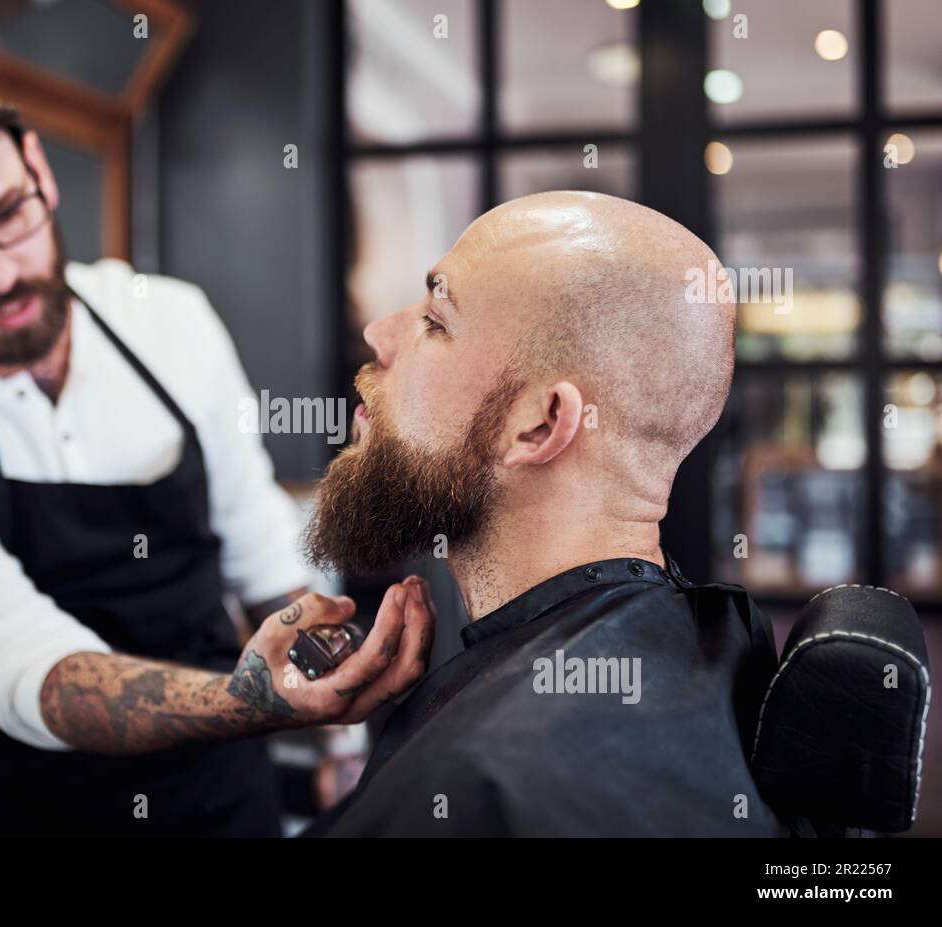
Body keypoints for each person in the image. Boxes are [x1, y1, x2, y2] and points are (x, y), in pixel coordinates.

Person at [0, 59, 434, 837]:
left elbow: (264, 556)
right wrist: (250, 699)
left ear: (38, 168)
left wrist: (337, 712)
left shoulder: (170, 322)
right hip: (16, 809)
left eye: (9, 213)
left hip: (219, 798)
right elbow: (32, 666)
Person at [300, 191, 786, 837]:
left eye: (436, 320)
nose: (378, 333)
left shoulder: (486, 781)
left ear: (540, 424)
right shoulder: (706, 644)